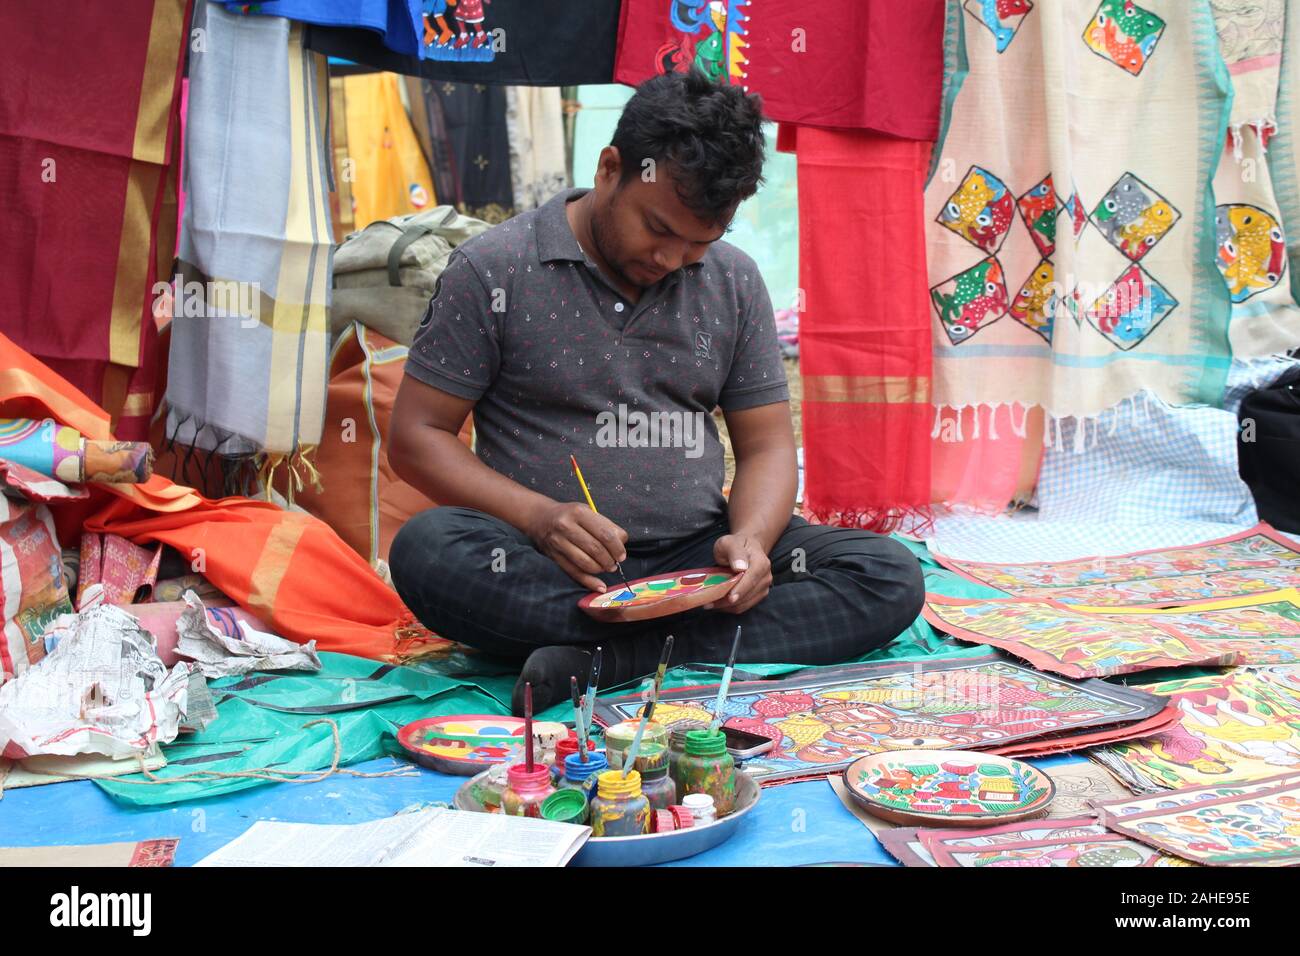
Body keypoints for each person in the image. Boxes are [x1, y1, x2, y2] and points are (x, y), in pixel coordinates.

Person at [388, 70, 925, 715]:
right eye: (658, 228)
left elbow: (767, 448)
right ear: (610, 168)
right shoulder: (493, 268)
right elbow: (417, 438)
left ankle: (621, 659)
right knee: (427, 553)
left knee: (887, 576)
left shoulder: (733, 281)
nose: (672, 259)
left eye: (701, 241)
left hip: (699, 563)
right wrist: (538, 517)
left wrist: (750, 540)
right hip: (555, 563)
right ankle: (683, 648)